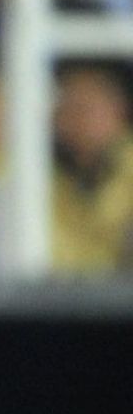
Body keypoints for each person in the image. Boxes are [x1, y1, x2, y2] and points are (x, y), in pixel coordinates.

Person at [51, 61, 133, 274]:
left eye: (85, 107)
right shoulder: (41, 171)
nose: (75, 120)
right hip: (56, 300)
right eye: (67, 106)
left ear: (118, 109)